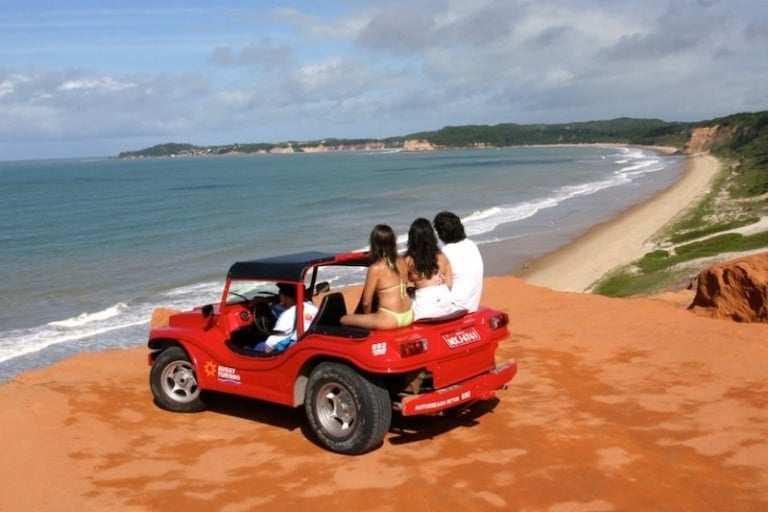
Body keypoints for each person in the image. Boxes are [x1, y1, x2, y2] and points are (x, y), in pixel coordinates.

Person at [340, 224, 413, 329]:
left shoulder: (376, 268)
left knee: (344, 319)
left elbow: (366, 303)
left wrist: (368, 318)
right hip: (408, 314)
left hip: (390, 318)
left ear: (375, 244)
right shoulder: (401, 261)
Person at [403, 217, 458, 320]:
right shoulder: (442, 257)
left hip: (425, 306)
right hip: (445, 302)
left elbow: (400, 288)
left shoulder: (409, 261)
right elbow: (449, 285)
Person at [433, 211, 484, 312]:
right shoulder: (471, 245)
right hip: (472, 305)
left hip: (454, 307)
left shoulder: (446, 252)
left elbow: (436, 284)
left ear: (440, 233)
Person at [254, 283, 318, 353]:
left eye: (280, 294)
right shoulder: (313, 308)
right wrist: (268, 302)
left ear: (284, 297)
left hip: (293, 347)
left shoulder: (287, 314)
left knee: (259, 346)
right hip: (309, 341)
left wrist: (265, 347)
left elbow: (274, 342)